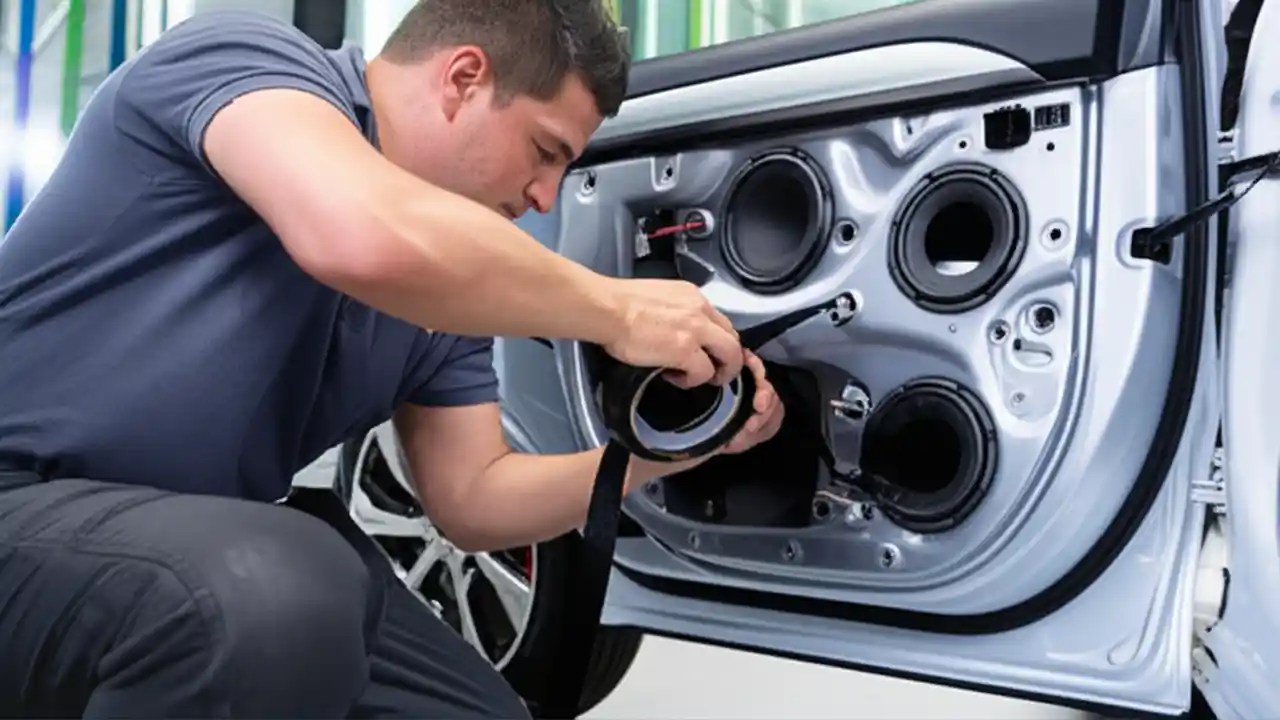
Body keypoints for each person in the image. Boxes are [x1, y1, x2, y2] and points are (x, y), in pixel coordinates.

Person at [0, 1, 785, 717]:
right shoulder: (243, 59)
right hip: (21, 507)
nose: (545, 196)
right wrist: (615, 309)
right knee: (278, 589)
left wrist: (660, 455)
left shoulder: (447, 294)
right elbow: (357, 234)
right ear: (464, 79)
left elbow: (474, 500)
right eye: (545, 152)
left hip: (186, 543)